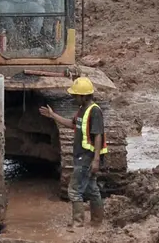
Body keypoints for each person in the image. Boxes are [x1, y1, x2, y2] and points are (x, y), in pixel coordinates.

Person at [39, 77, 106, 229]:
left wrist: (96, 160)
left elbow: (98, 135)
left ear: (83, 96)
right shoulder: (83, 110)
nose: (73, 98)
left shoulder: (94, 111)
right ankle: (97, 221)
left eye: (76, 95)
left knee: (74, 190)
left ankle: (77, 224)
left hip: (87, 157)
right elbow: (72, 124)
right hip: (82, 156)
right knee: (91, 188)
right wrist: (53, 115)